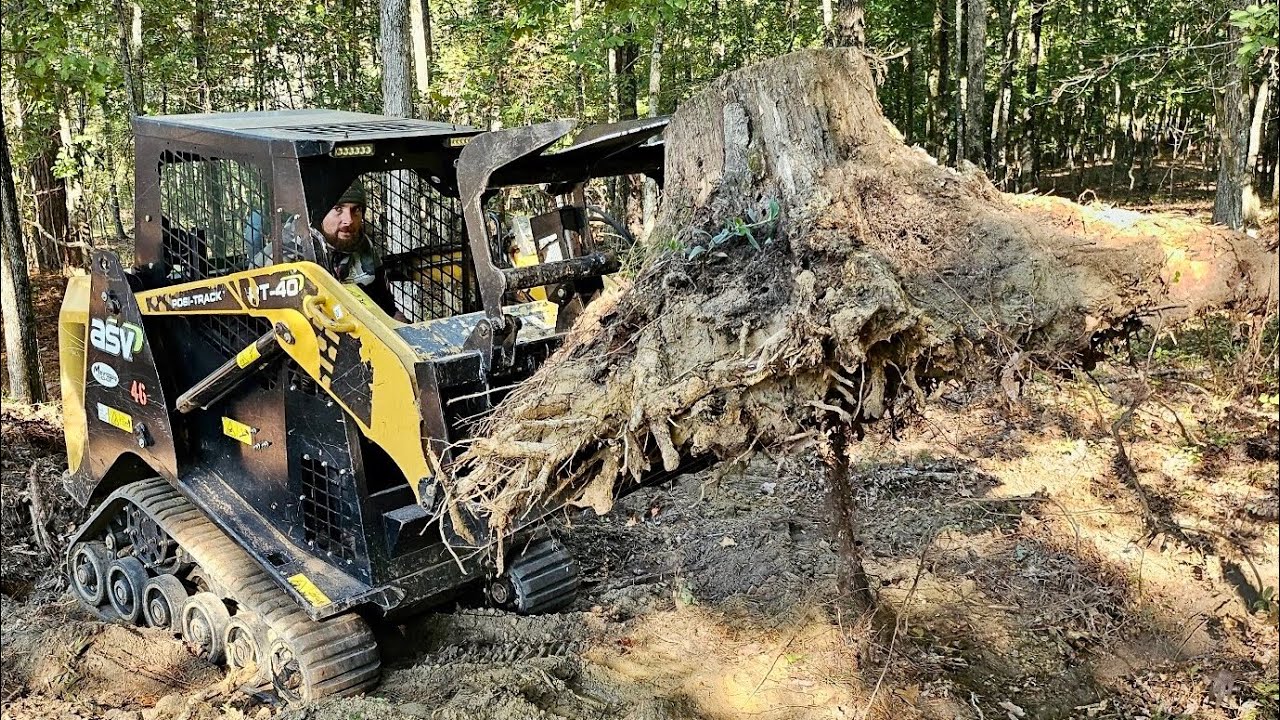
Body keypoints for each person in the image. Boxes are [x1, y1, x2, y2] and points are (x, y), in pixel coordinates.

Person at [315, 182, 403, 320]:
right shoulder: (291, 250)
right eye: (338, 209)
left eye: (355, 210)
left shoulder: (363, 244)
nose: (348, 220)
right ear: (318, 212)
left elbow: (386, 306)